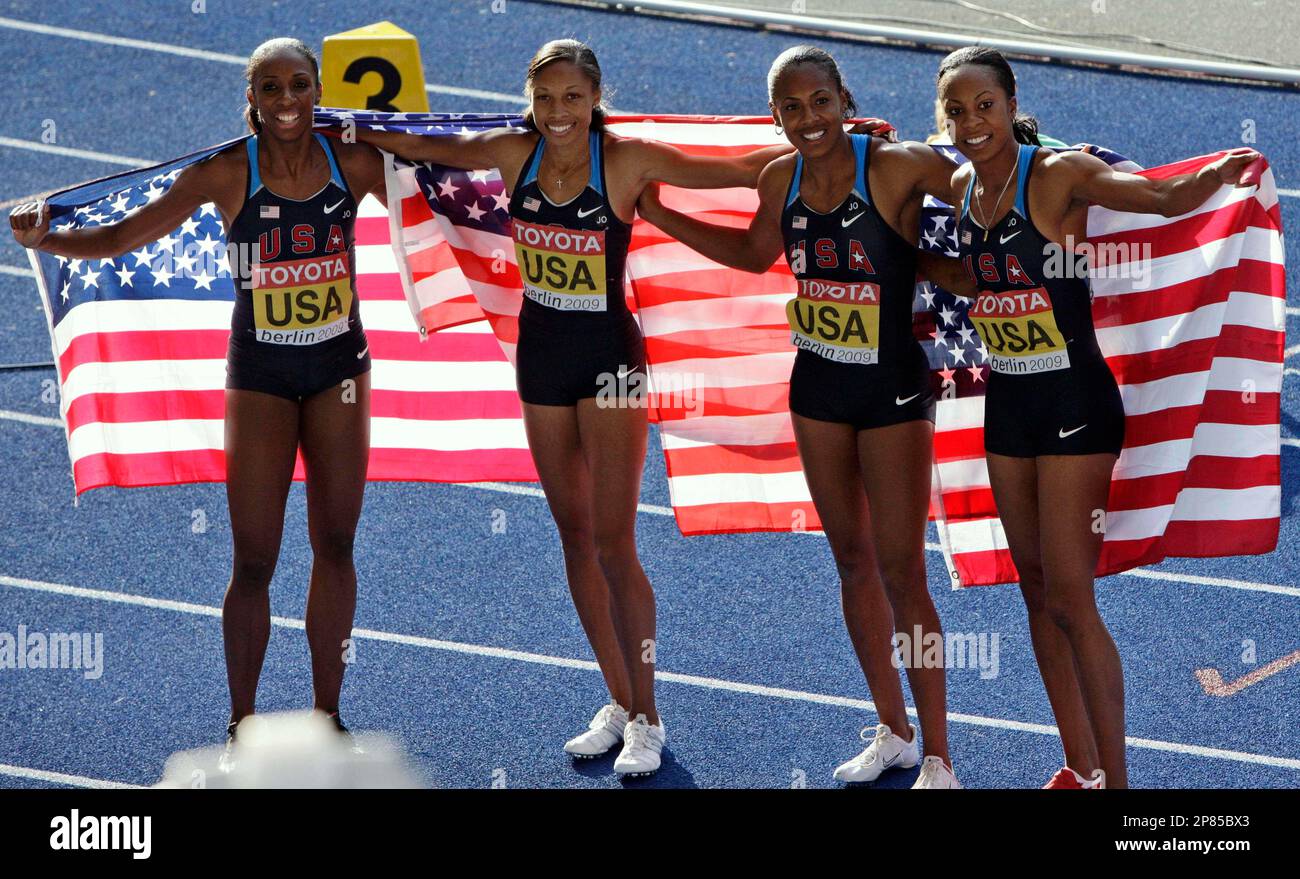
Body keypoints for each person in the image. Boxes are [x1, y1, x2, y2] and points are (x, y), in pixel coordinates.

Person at [350, 38, 788, 777]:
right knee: (575, 538)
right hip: (542, 362)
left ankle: (648, 715)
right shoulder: (512, 151)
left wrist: (833, 144)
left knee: (616, 543)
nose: (558, 112)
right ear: (532, 100)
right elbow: (423, 141)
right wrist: (344, 125)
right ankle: (617, 700)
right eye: (546, 97)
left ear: (594, 98)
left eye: (572, 97)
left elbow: (737, 170)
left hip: (612, 365)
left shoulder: (626, 159)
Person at [10, 37, 388, 767]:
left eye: (299, 86)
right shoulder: (225, 174)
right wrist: (49, 236)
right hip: (261, 379)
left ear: (318, 90)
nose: (285, 101)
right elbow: (123, 235)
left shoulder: (358, 162)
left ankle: (327, 716)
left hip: (343, 370)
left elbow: (445, 178)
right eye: (270, 88)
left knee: (336, 545)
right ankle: (241, 724)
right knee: (255, 558)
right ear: (250, 98)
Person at [637, 45, 977, 789]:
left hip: (891, 393)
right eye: (790, 107)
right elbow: (755, 253)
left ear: (844, 97)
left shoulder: (892, 166)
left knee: (902, 570)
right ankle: (892, 729)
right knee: (851, 561)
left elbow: (983, 173)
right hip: (817, 389)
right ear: (776, 117)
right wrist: (661, 212)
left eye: (819, 100)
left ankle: (941, 756)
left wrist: (1039, 167)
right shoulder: (778, 176)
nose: (807, 117)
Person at [937, 44, 1259, 789]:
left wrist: (1213, 175)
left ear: (1012, 107)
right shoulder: (957, 185)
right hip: (1009, 404)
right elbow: (970, 275)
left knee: (1072, 598)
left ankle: (1117, 784)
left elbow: (1157, 198)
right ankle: (1077, 766)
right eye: (957, 110)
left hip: (1076, 407)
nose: (972, 121)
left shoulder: (1056, 176)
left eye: (985, 105)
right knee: (1033, 588)